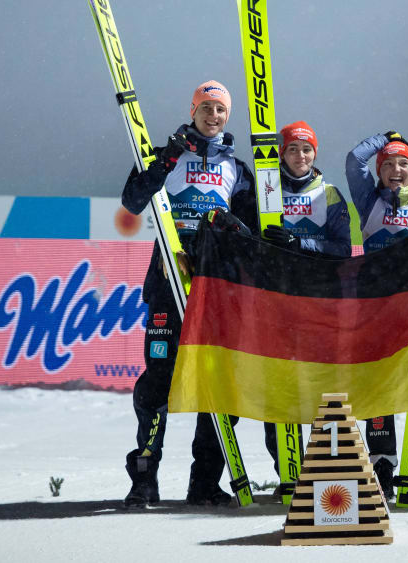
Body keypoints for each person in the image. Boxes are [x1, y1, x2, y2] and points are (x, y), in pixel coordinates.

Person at [120, 80, 257, 509]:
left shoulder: (237, 168)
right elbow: (132, 201)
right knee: (156, 386)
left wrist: (232, 233)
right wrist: (168, 159)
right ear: (193, 109)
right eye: (206, 108)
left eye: (221, 110)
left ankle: (204, 483)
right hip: (167, 285)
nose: (213, 116)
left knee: (219, 386)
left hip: (213, 290)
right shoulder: (163, 155)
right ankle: (144, 479)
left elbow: (252, 232)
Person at [345, 131, 408, 500]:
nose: (396, 170)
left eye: (403, 162)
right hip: (376, 309)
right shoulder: (368, 202)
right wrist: (384, 138)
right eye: (388, 164)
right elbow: (353, 160)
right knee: (379, 388)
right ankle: (382, 464)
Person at [261, 120, 352, 491]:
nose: (301, 156)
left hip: (318, 300)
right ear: (282, 152)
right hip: (277, 297)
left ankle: (324, 468)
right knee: (279, 386)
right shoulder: (267, 191)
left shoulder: (329, 194)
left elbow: (343, 251)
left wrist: (300, 245)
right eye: (294, 149)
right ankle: (289, 471)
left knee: (320, 386)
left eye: (307, 149)